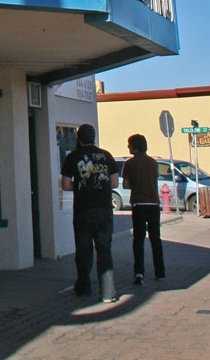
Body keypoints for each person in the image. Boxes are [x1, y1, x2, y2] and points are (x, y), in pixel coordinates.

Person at [61, 123, 119, 302]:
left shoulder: (73, 157)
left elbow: (65, 185)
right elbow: (115, 183)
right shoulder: (106, 156)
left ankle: (84, 287)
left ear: (79, 138)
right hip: (104, 209)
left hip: (83, 210)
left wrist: (80, 185)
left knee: (84, 251)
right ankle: (108, 292)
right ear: (93, 137)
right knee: (104, 249)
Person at [122, 134, 165, 285]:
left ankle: (139, 272)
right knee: (156, 239)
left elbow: (126, 185)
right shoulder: (153, 162)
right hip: (153, 204)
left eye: (130, 144)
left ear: (135, 146)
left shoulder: (129, 164)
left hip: (138, 204)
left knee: (138, 240)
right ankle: (160, 272)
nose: (128, 147)